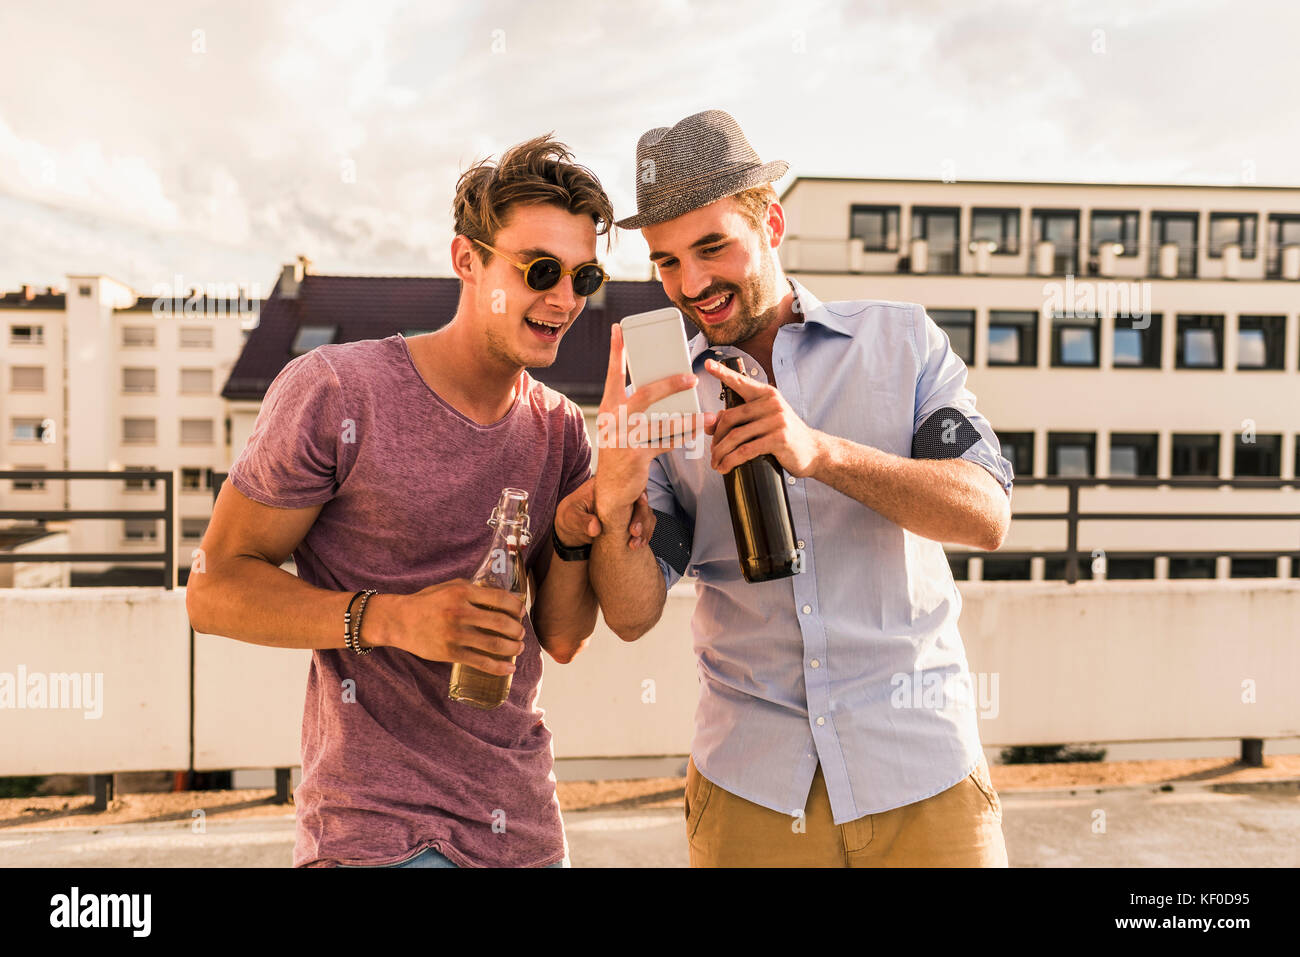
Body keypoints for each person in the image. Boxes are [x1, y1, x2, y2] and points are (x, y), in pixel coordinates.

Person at [184, 134, 656, 868]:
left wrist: (571, 534)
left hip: (524, 831)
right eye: (539, 270)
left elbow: (563, 638)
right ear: (467, 258)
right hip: (376, 834)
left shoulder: (562, 428)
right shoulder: (340, 390)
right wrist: (394, 617)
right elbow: (213, 588)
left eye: (582, 276)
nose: (563, 299)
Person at [587, 109, 1016, 867]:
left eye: (712, 246)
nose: (692, 284)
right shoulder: (658, 399)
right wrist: (614, 487)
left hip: (923, 773)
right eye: (666, 261)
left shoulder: (901, 341)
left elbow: (984, 514)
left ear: (773, 223)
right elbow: (629, 612)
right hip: (751, 792)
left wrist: (820, 452)